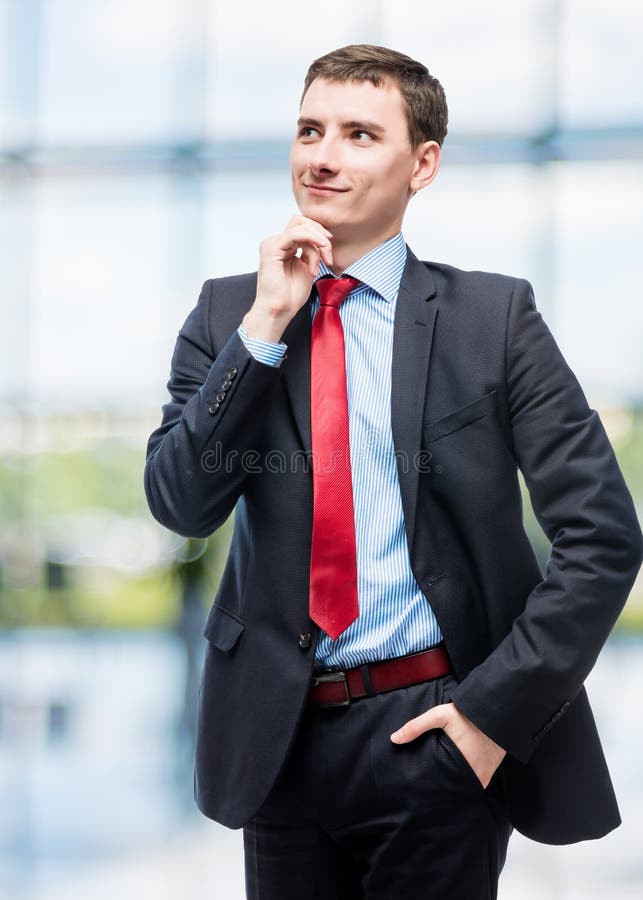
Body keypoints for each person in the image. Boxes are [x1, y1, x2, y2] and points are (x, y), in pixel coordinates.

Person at [144, 44, 643, 900]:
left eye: (358, 134)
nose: (322, 155)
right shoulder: (230, 312)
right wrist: (266, 326)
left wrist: (489, 719)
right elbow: (182, 504)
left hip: (437, 730)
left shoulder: (493, 318)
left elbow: (601, 536)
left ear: (421, 165)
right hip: (277, 741)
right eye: (309, 129)